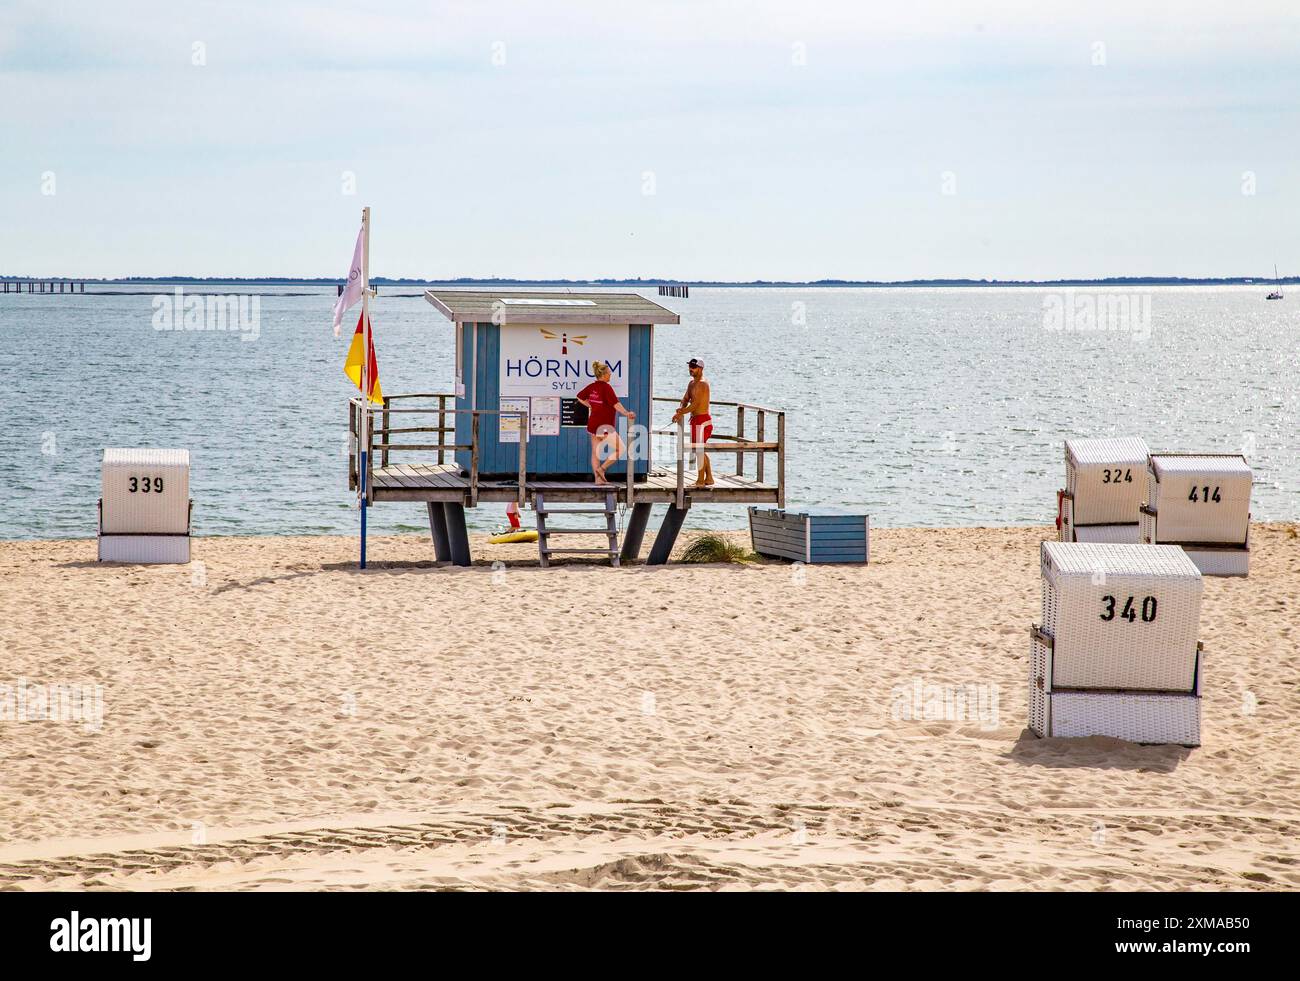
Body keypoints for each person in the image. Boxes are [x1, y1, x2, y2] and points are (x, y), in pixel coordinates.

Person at [576, 361, 635, 484]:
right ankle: (601, 470)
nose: (610, 375)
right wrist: (626, 413)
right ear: (603, 375)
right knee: (621, 449)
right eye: (609, 373)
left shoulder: (592, 387)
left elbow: (579, 397)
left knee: (595, 453)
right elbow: (616, 404)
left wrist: (590, 405)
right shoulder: (607, 388)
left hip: (593, 425)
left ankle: (598, 480)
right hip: (604, 426)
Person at [672, 357, 713, 487]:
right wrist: (681, 408)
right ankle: (709, 478)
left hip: (703, 421)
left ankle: (701, 481)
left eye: (693, 367)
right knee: (698, 449)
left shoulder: (703, 384)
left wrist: (680, 413)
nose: (691, 369)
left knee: (699, 450)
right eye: (690, 366)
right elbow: (685, 399)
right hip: (695, 420)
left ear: (700, 369)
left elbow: (695, 405)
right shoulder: (691, 383)